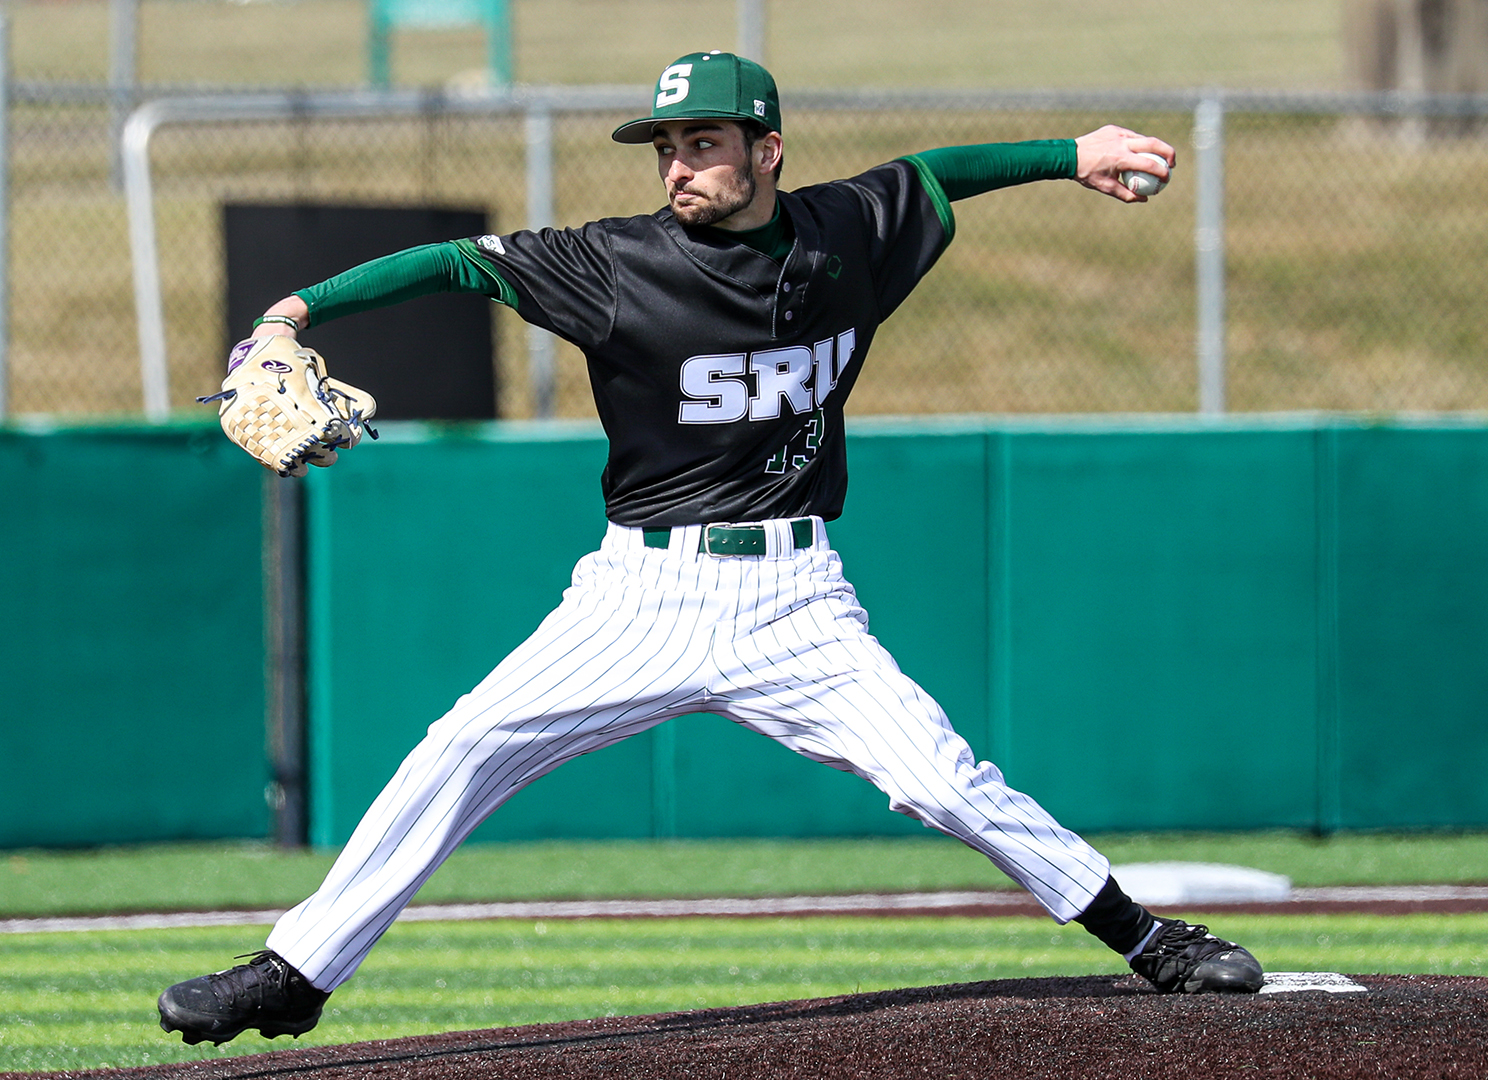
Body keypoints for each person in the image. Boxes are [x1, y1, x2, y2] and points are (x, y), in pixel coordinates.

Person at [158, 51, 1263, 1047]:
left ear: (767, 151)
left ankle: (1149, 938)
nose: (677, 166)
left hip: (796, 599)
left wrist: (1074, 154)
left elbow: (937, 173)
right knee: (463, 744)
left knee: (943, 779)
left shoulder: (847, 232)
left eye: (702, 142)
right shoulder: (616, 263)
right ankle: (295, 972)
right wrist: (292, 312)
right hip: (637, 595)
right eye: (665, 148)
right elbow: (456, 262)